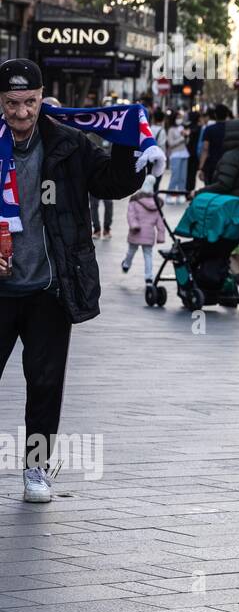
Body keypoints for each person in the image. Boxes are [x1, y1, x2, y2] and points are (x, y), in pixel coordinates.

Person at [0, 59, 147, 503]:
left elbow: (112, 183)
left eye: (29, 102)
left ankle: (36, 467)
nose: (22, 113)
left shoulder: (68, 142)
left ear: (42, 97)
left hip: (50, 286)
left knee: (45, 384)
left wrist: (126, 142)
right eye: (11, 103)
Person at [196, 116, 239, 278]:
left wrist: (201, 192)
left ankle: (237, 279)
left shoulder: (231, 157)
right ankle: (233, 284)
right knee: (235, 251)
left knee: (229, 251)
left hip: (231, 215)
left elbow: (223, 185)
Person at [122, 174, 167, 287]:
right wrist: (161, 236)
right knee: (148, 255)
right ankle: (148, 278)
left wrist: (134, 225)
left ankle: (126, 264)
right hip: (149, 234)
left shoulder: (135, 200)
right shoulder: (156, 203)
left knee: (131, 251)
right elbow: (160, 222)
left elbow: (130, 215)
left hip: (135, 232)